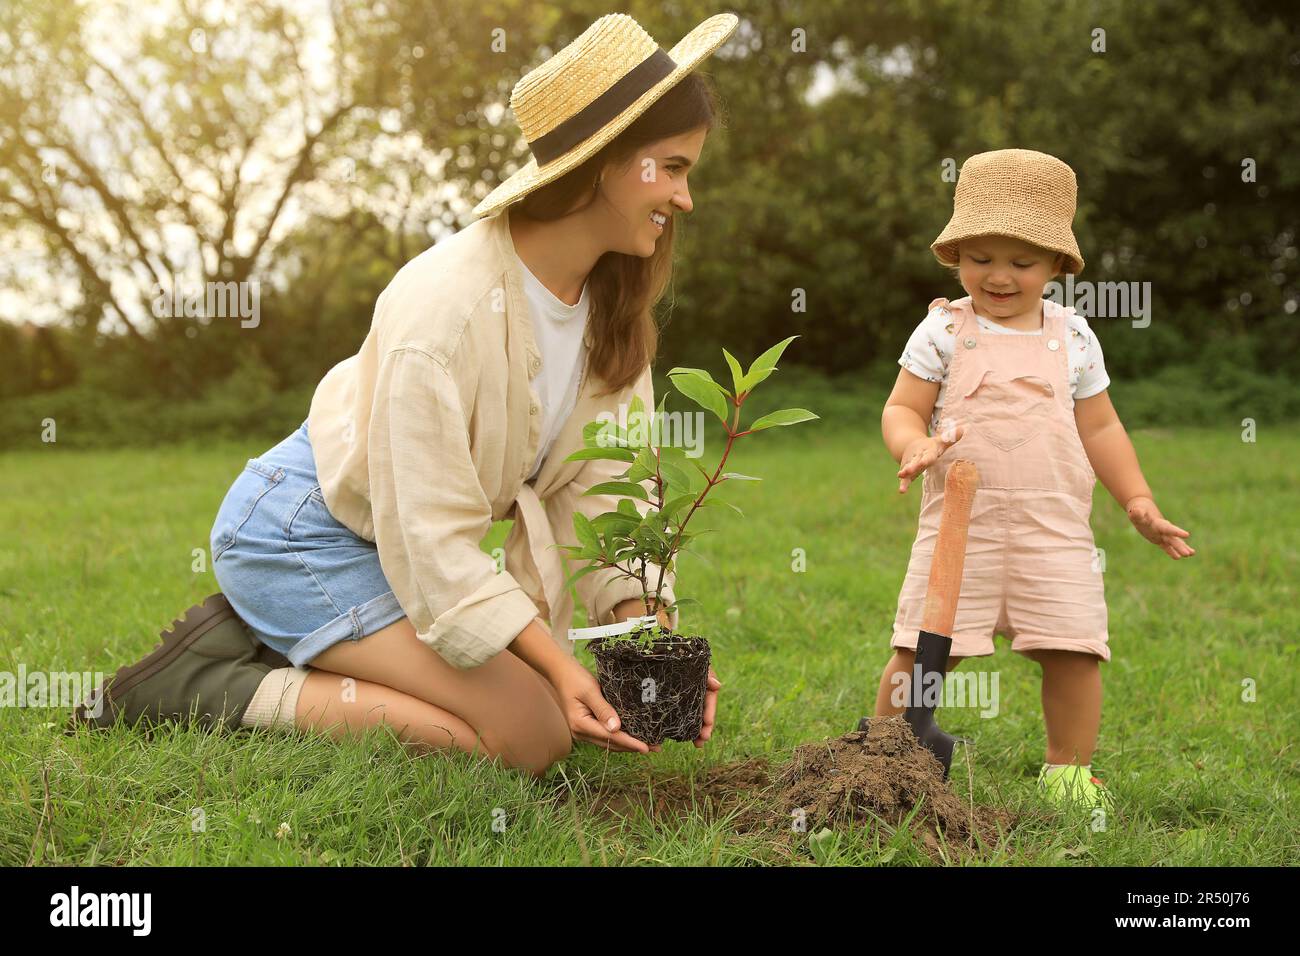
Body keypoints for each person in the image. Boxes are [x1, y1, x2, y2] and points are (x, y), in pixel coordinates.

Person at [71, 12, 738, 778]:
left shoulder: (610, 309)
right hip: (303, 535)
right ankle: (213, 683)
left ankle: (303, 639)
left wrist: (642, 637)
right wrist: (555, 667)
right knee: (532, 736)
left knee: (542, 711)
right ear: (603, 164)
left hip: (396, 548)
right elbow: (431, 538)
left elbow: (607, 483)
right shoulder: (444, 308)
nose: (685, 198)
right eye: (673, 168)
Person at [875, 148, 1195, 812]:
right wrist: (914, 445)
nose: (998, 276)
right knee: (920, 652)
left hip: (1054, 531)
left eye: (1021, 262)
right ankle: (883, 760)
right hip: (961, 532)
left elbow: (1101, 428)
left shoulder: (1072, 336)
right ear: (957, 251)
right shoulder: (943, 329)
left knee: (1075, 649)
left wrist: (1137, 499)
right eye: (980, 257)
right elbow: (902, 407)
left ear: (1056, 266)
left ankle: (1068, 773)